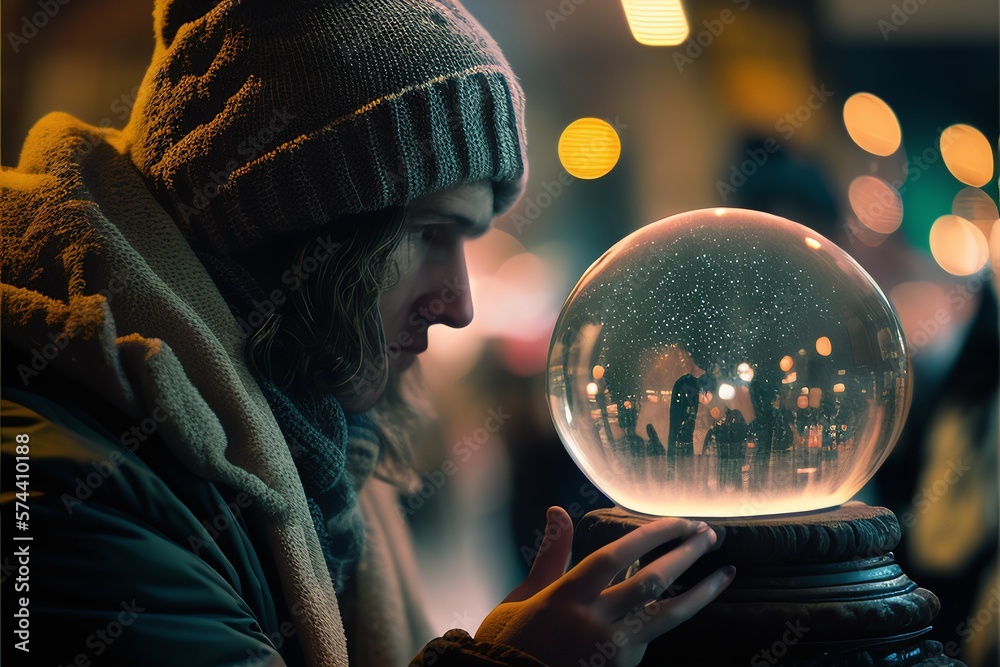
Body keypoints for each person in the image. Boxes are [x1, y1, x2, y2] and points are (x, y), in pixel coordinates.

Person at [0, 1, 735, 665]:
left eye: (469, 239)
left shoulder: (324, 438)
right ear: (294, 225)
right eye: (428, 231)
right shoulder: (64, 486)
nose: (459, 306)